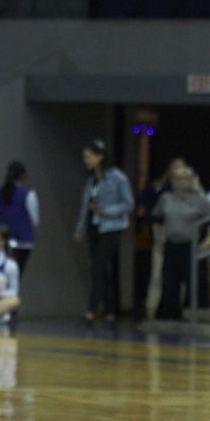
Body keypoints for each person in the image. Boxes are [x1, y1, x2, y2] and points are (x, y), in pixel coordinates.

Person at [75, 138, 133, 326]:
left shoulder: (118, 177)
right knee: (103, 271)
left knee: (99, 267)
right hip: (95, 226)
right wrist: (81, 228)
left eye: (89, 156)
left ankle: (92, 310)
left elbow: (129, 203)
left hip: (112, 227)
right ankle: (109, 311)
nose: (86, 160)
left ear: (100, 157)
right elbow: (86, 205)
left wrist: (107, 210)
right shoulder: (91, 180)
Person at [151, 162, 210, 319]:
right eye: (178, 178)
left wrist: (208, 240)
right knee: (169, 282)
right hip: (172, 245)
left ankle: (195, 316)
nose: (182, 182)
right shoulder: (166, 198)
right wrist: (159, 239)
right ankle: (169, 315)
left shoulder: (200, 201)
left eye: (186, 178)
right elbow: (157, 219)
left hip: (192, 246)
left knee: (195, 283)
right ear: (172, 181)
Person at [0, 162, 39, 272]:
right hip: (23, 238)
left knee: (1, 270)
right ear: (23, 176)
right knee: (17, 272)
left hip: (3, 237)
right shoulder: (29, 194)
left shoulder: (0, 192)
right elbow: (35, 219)